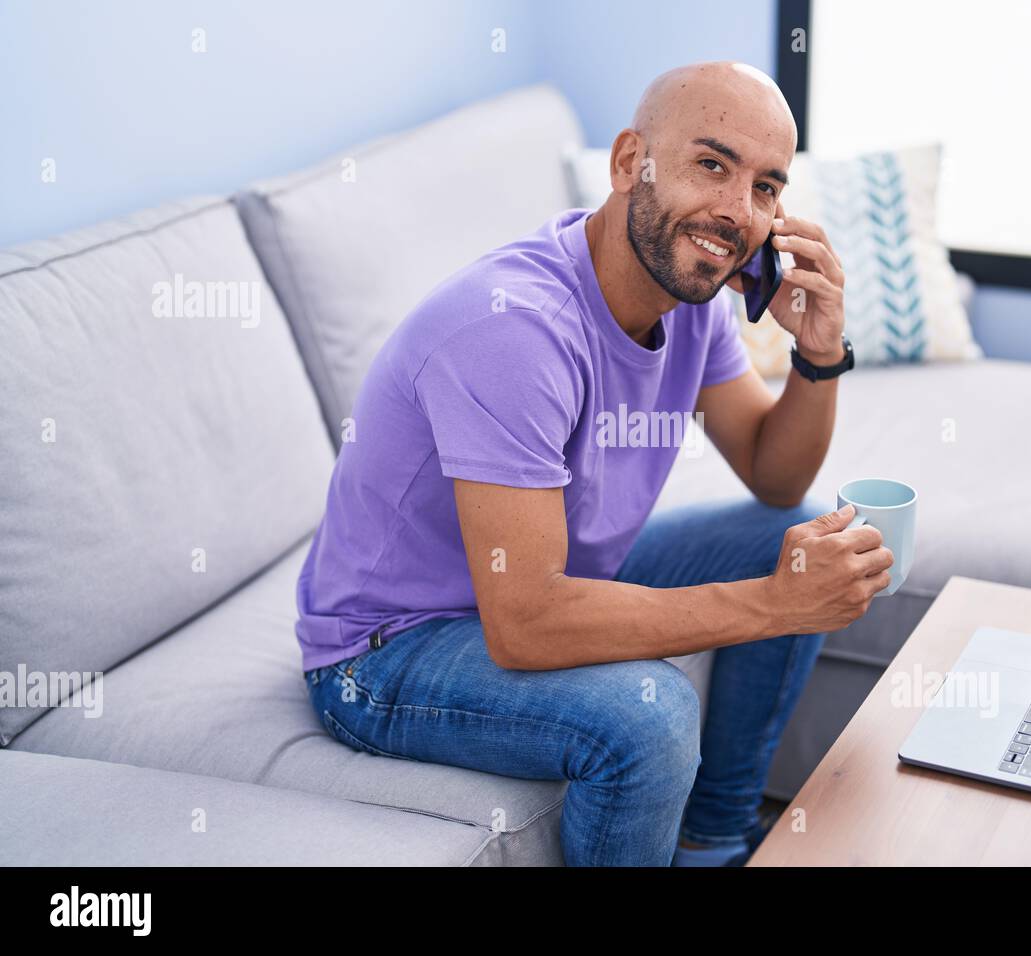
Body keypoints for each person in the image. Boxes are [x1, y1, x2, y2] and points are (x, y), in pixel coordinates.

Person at [297, 60, 893, 866]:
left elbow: (773, 475)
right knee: (652, 716)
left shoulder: (691, 299)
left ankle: (713, 843)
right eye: (712, 165)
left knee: (790, 529)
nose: (736, 211)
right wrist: (777, 604)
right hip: (391, 650)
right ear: (627, 164)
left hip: (553, 574)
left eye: (764, 187)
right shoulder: (515, 331)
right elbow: (527, 621)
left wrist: (820, 355)